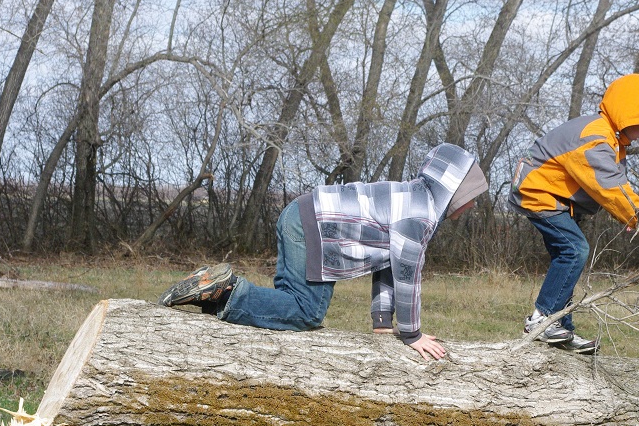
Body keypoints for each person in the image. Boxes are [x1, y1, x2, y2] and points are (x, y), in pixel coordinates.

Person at [158, 143, 487, 360]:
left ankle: (214, 290)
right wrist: (412, 334)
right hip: (314, 226)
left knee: (291, 298)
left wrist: (383, 323)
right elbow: (406, 275)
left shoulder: (411, 197)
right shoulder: (420, 214)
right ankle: (223, 292)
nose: (471, 204)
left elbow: (387, 264)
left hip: (301, 214)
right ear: (453, 190)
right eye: (470, 195)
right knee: (306, 311)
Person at [509, 73, 639, 354]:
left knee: (568, 258)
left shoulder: (609, 138)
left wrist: (629, 215)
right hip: (538, 192)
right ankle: (542, 320)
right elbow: (610, 188)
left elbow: (613, 189)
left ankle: (562, 328)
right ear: (626, 118)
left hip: (555, 197)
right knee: (574, 250)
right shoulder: (595, 139)